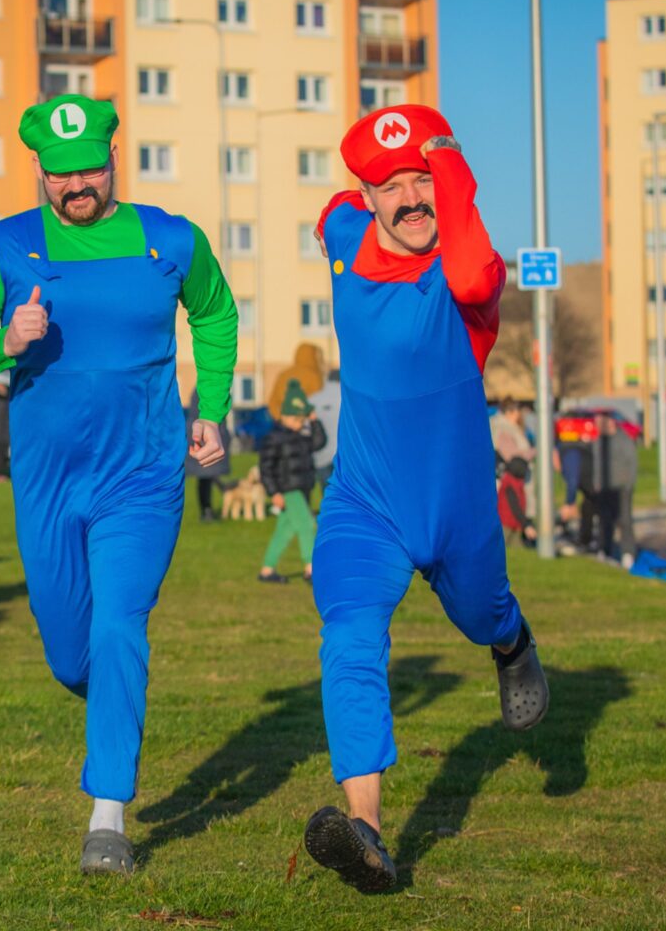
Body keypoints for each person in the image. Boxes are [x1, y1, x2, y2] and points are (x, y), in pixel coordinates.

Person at [0, 94, 237, 875]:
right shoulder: (6, 247)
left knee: (118, 624)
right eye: (61, 174)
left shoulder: (169, 238)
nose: (77, 187)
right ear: (37, 169)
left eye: (90, 170)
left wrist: (214, 409)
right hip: (47, 480)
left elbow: (217, 314)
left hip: (142, 472)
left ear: (111, 161)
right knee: (73, 655)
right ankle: (112, 701)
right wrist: (7, 340)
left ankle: (108, 817)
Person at [303, 105, 546, 893]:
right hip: (362, 502)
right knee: (347, 636)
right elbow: (332, 214)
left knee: (481, 612)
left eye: (423, 184)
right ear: (366, 195)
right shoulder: (345, 235)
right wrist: (392, 175)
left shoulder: (464, 273)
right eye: (391, 187)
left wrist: (446, 162)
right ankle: (365, 828)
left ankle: (510, 643)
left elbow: (477, 271)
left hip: (456, 508)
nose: (411, 201)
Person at [257, 380, 327, 583]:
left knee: (284, 530)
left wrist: (314, 421)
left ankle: (267, 570)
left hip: (302, 489)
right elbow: (266, 468)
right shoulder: (274, 438)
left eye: (302, 420)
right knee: (307, 525)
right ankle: (311, 568)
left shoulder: (302, 436)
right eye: (297, 420)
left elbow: (319, 442)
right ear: (285, 416)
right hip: (288, 490)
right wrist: (274, 493)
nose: (299, 424)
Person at [591, 414, 638, 569]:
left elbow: (631, 463)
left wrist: (628, 484)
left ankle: (628, 553)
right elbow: (596, 464)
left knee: (624, 520)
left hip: (621, 487)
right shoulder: (598, 442)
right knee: (605, 520)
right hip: (605, 487)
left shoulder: (624, 440)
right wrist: (596, 483)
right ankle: (604, 550)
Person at [184, 389, 230, 521]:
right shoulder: (206, 392)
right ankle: (206, 510)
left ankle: (207, 509)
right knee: (206, 477)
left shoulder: (200, 391)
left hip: (203, 435)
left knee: (206, 478)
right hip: (204, 436)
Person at [498, 456, 538, 547]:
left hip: (515, 524)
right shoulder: (509, 485)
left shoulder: (514, 483)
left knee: (517, 547)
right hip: (506, 525)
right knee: (504, 546)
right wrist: (526, 525)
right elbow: (515, 507)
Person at [489, 397, 534, 470]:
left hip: (515, 472)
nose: (519, 416)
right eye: (517, 413)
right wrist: (535, 451)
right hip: (512, 475)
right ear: (509, 412)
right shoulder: (502, 428)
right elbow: (511, 456)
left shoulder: (506, 426)